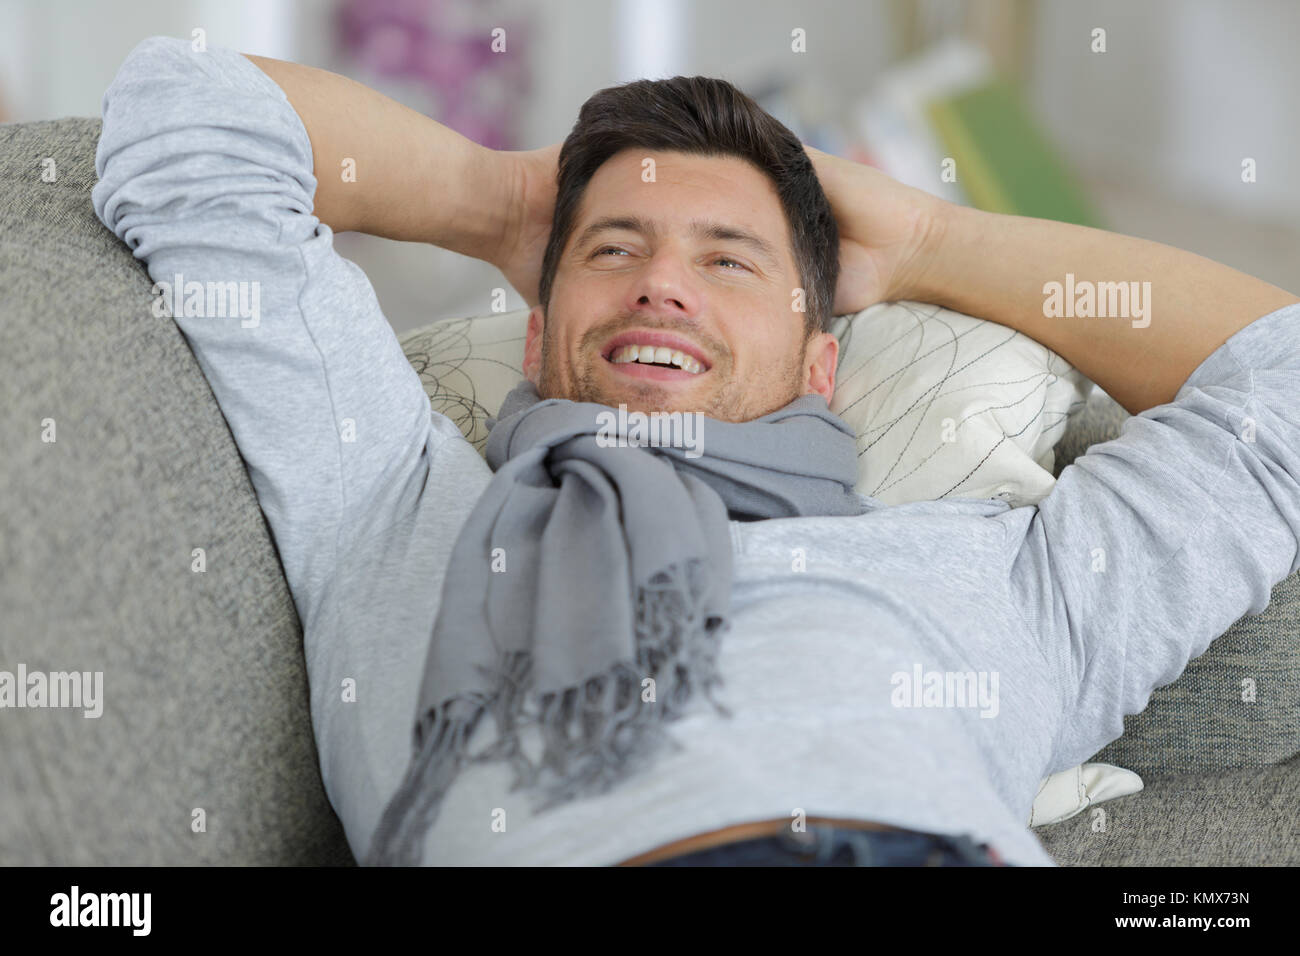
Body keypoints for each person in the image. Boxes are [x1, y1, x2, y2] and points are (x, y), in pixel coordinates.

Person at [93, 36, 1300, 867]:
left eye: (727, 260)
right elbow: (190, 113)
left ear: (822, 361)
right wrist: (513, 201)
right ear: (535, 325)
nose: (663, 282)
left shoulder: (995, 569)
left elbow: (1282, 390)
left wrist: (929, 238)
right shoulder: (398, 497)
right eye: (614, 250)